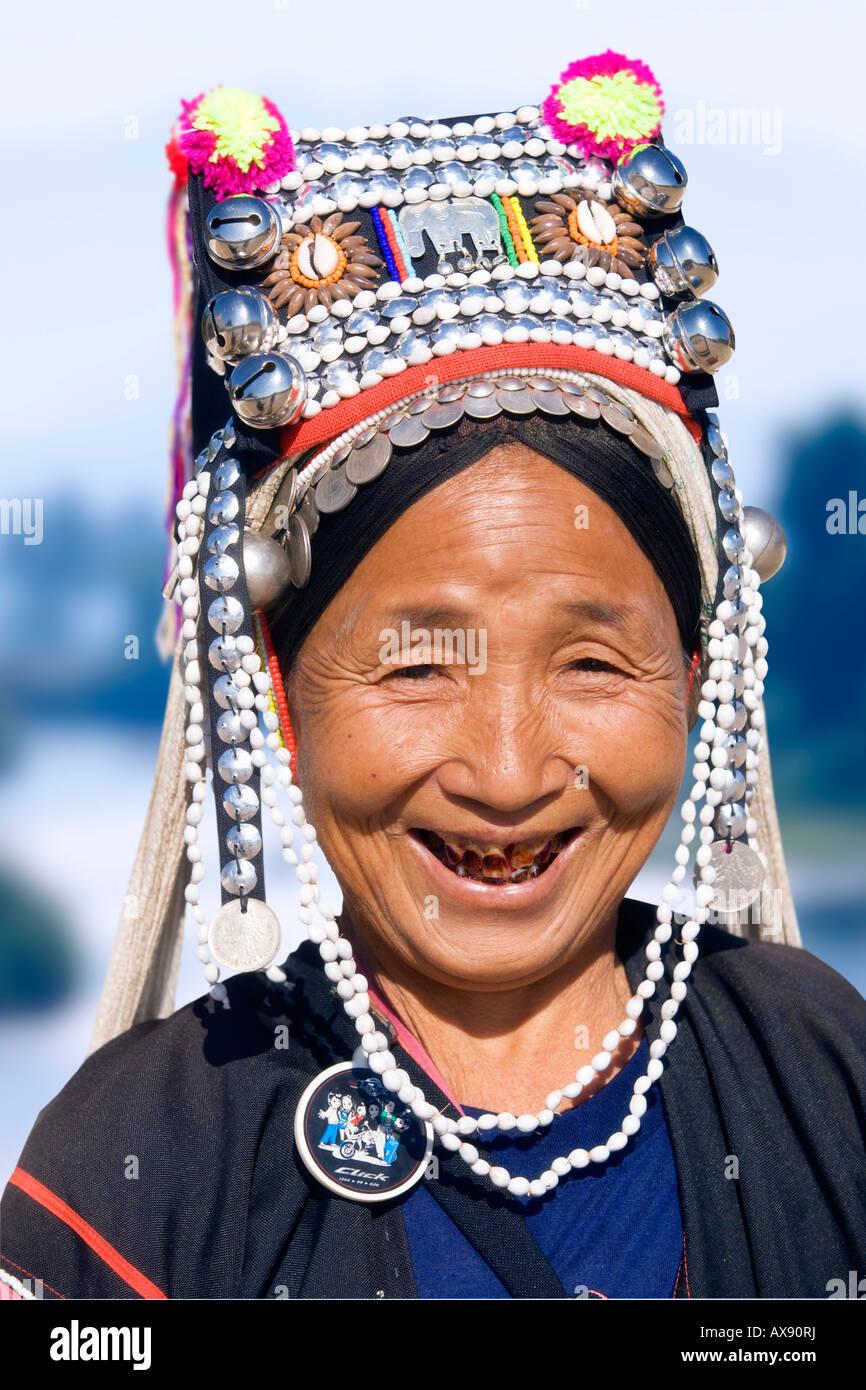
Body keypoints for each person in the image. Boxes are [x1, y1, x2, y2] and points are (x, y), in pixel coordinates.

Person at [2, 50, 865, 1302]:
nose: (508, 775)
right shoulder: (141, 1171)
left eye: (589, 663)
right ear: (278, 696)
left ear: (694, 674)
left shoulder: (818, 1071)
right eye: (413, 666)